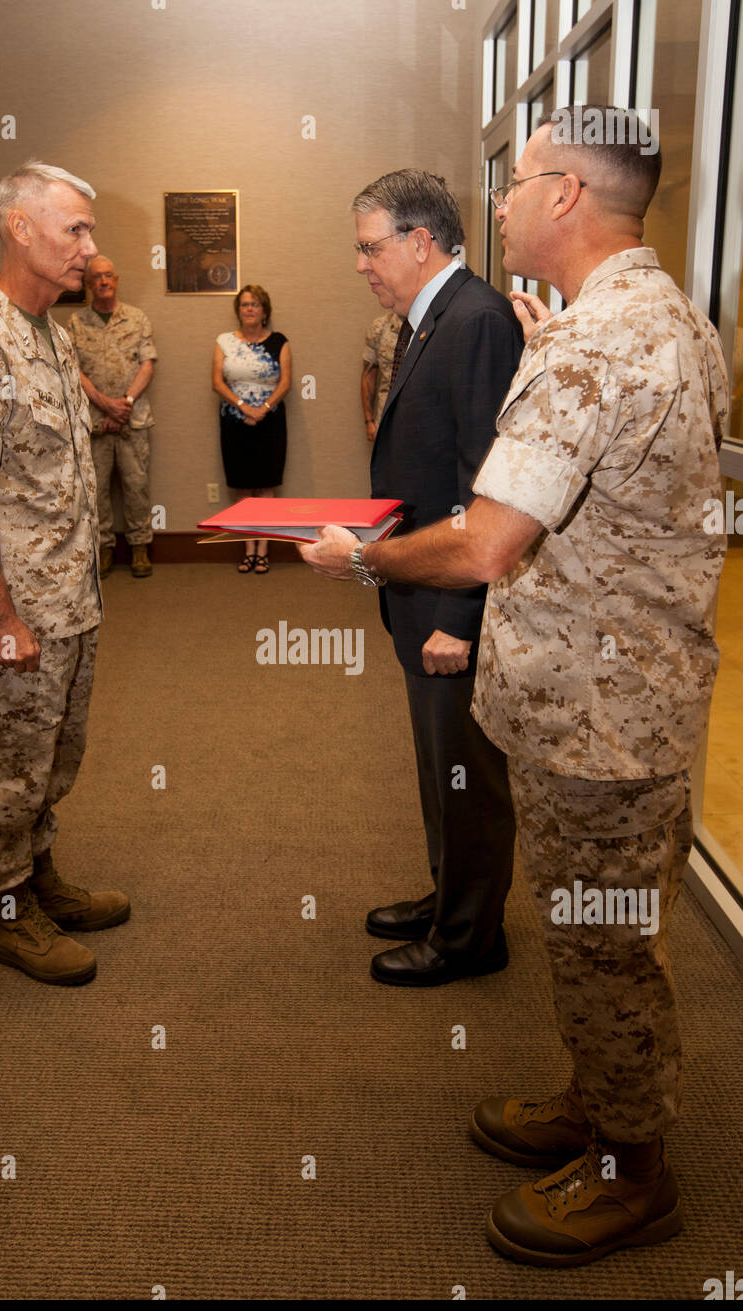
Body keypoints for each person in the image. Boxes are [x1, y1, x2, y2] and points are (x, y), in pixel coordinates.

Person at [301, 107, 728, 1267]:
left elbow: (488, 541)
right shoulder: (648, 319)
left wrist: (364, 558)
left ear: (564, 199)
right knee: (593, 935)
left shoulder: (597, 344)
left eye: (515, 180)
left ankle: (631, 1172)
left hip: (596, 711)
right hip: (609, 694)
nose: (494, 202)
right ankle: (597, 1106)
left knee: (603, 941)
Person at [0, 159, 130, 988]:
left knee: (53, 753)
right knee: (8, 758)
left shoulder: (50, 332)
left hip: (68, 594)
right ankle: (8, 914)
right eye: (75, 228)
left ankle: (39, 878)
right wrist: (2, 618)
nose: (90, 247)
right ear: (20, 229)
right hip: (14, 609)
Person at [351, 169, 522, 988]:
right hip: (420, 589)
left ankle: (469, 939)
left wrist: (460, 613)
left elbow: (484, 484)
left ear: (422, 244)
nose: (361, 265)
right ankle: (450, 896)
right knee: (437, 766)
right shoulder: (427, 319)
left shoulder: (478, 321)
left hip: (453, 600)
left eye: (369, 247)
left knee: (467, 773)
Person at [69, 256, 157, 579]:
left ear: (116, 280)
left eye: (108, 276)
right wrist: (106, 405)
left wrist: (125, 404)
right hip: (94, 423)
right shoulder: (76, 323)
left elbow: (147, 365)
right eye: (96, 278)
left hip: (133, 420)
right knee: (97, 490)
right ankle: (104, 548)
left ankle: (139, 547)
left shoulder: (137, 319)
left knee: (137, 486)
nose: (103, 282)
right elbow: (74, 372)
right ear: (88, 284)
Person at [212, 284, 291, 574]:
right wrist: (246, 408)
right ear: (238, 311)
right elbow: (217, 382)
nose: (249, 309)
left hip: (271, 422)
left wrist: (263, 409)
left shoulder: (279, 341)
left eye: (255, 304)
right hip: (234, 423)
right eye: (244, 304)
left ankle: (264, 550)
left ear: (265, 311)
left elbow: (285, 383)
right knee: (243, 488)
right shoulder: (224, 341)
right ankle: (248, 550)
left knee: (267, 486)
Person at [360, 309, 401, 442]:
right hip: (385, 417)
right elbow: (369, 374)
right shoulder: (380, 327)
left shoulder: (430, 324)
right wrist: (369, 420)